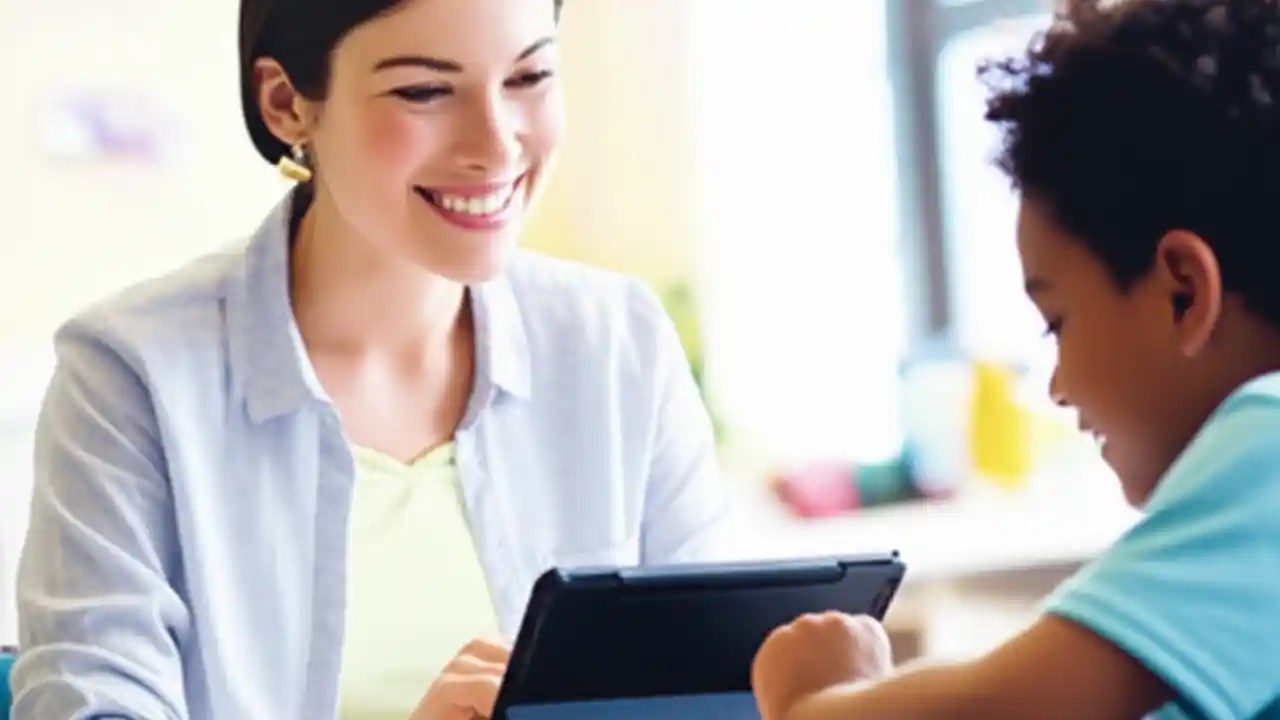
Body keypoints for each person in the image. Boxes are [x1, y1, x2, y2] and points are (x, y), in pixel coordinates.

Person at [11, 0, 736, 718]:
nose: (497, 143)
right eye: (424, 91)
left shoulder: (620, 346)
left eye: (529, 77)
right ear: (287, 103)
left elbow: (719, 681)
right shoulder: (131, 377)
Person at [751, 0, 1280, 718]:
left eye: (1057, 321)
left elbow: (1002, 708)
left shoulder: (1269, 445)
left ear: (1183, 293)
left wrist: (816, 698)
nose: (1058, 387)